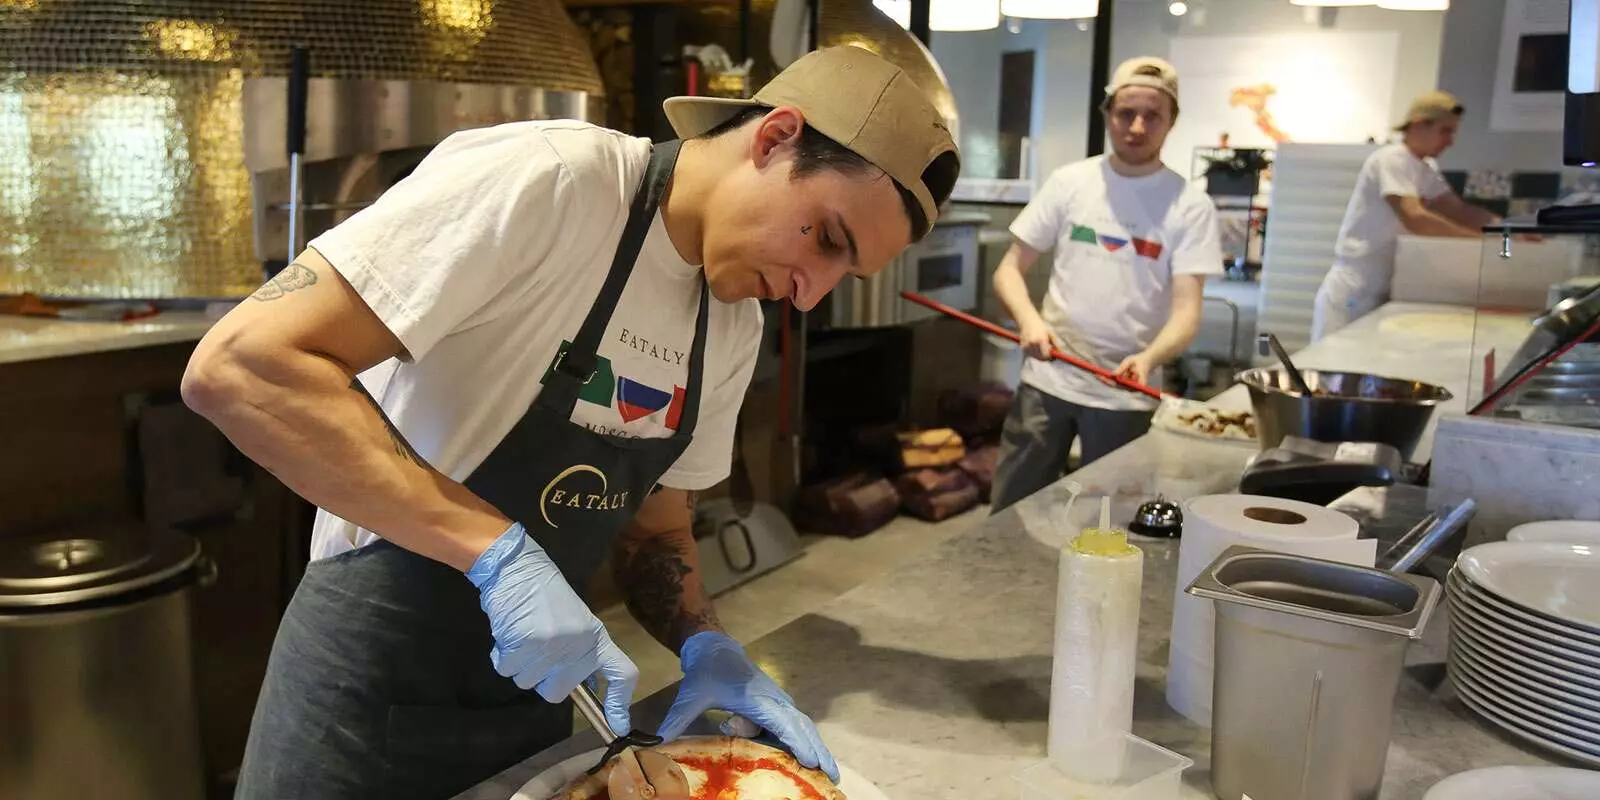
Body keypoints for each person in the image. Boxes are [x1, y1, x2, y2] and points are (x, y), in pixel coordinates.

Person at [181, 45, 959, 799]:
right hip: (367, 699)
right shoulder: (555, 184)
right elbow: (241, 366)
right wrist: (497, 554)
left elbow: (656, 532)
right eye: (825, 237)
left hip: (543, 714)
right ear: (774, 136)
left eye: (841, 272)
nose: (809, 293)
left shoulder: (730, 328)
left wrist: (705, 642)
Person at [989, 57, 1222, 513]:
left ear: (1171, 121)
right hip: (1048, 378)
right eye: (1125, 113)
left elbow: (1187, 312)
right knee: (1011, 512)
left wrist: (1150, 357)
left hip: (1125, 393)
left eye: (1152, 115)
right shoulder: (1070, 182)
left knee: (1108, 525)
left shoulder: (1190, 206)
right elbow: (1009, 270)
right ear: (1107, 115)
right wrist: (1031, 322)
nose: (1137, 126)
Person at [1312, 90, 1499, 340]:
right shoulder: (1391, 158)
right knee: (1333, 372)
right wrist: (1484, 244)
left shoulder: (1425, 168)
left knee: (1361, 369)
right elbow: (1415, 218)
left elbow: (1458, 211)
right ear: (1420, 124)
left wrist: (1506, 230)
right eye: (1446, 131)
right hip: (1355, 286)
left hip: (1384, 285)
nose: (1451, 141)